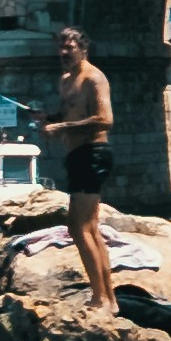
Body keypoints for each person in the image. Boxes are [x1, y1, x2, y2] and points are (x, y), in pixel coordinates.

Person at [40, 27, 121, 294]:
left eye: (70, 48)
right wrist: (49, 118)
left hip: (93, 154)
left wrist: (61, 128)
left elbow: (105, 120)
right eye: (61, 47)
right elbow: (68, 114)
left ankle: (100, 297)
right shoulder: (65, 80)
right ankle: (108, 297)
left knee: (77, 227)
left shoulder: (94, 78)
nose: (63, 53)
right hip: (76, 156)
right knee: (91, 228)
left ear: (84, 49)